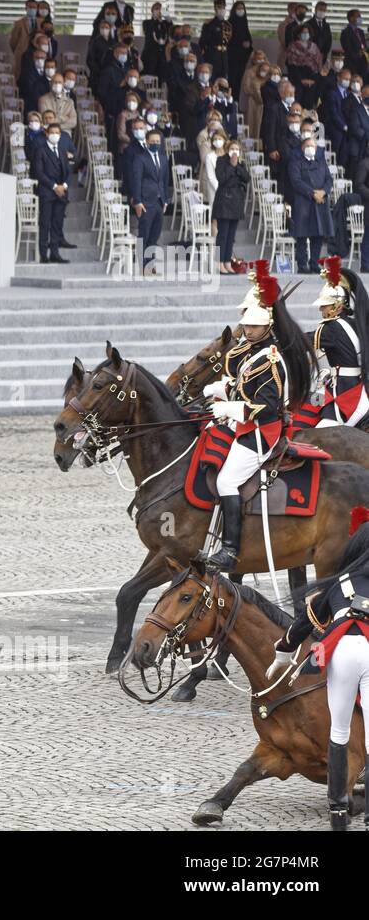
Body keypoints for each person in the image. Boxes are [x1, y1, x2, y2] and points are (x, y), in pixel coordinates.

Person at [198, 269, 312, 572]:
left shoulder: (270, 359)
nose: (247, 329)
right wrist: (217, 389)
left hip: (262, 430)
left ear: (268, 327)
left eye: (254, 326)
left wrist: (231, 410)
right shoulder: (250, 350)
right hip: (244, 423)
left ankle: (231, 550)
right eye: (246, 324)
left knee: (227, 480)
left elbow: (267, 406)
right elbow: (239, 385)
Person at [267, 514, 369, 830]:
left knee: (339, 732)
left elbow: (301, 627)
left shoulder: (338, 583)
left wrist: (282, 654)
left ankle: (338, 814)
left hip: (341, 653)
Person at [307, 257, 369, 427]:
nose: (321, 309)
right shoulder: (354, 322)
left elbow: (301, 342)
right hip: (343, 385)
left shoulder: (332, 328)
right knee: (308, 404)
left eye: (325, 305)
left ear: (339, 306)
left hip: (348, 394)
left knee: (320, 435)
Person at [127, 127, 171, 273]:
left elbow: (165, 181)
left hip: (159, 202)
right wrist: (138, 201)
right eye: (152, 141)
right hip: (145, 202)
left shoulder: (164, 158)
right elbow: (136, 180)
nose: (155, 144)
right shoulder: (140, 158)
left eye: (158, 141)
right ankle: (142, 265)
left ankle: (150, 265)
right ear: (146, 142)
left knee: (154, 236)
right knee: (143, 235)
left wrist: (165, 200)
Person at [289, 136, 334, 272]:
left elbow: (329, 179)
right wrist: (313, 193)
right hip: (304, 203)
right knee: (302, 236)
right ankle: (302, 265)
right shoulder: (296, 162)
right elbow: (296, 181)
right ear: (302, 148)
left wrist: (323, 192)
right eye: (308, 146)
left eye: (313, 146)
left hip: (320, 202)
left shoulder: (321, 162)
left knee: (318, 235)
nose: (311, 149)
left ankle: (314, 263)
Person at [34, 122, 71, 265]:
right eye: (52, 132)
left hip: (61, 194)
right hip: (47, 192)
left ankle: (55, 253)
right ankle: (44, 254)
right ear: (47, 134)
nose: (54, 135)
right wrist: (54, 186)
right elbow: (39, 172)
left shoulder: (62, 150)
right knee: (45, 223)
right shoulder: (40, 150)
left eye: (57, 133)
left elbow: (68, 171)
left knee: (57, 224)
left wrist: (64, 186)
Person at [213, 141, 247, 272]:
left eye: (237, 149)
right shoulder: (221, 161)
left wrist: (237, 166)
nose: (234, 151)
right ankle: (219, 262)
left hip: (236, 203)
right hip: (224, 202)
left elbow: (246, 178)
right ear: (227, 150)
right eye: (232, 148)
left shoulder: (241, 163)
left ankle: (227, 261)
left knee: (231, 235)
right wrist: (232, 167)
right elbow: (221, 178)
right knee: (223, 234)